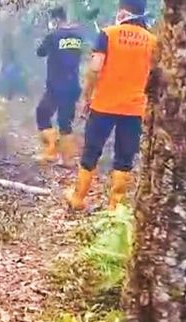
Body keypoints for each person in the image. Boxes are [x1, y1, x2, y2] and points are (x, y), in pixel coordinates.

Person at [66, 0, 156, 211]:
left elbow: (95, 68)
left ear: (123, 11)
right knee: (124, 158)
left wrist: (87, 97)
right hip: (134, 109)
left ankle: (78, 199)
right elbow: (154, 76)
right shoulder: (153, 41)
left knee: (91, 152)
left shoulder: (108, 34)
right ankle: (115, 209)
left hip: (104, 105)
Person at [34, 6, 84, 167]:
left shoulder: (53, 36)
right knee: (65, 122)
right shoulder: (77, 37)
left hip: (56, 85)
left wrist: (47, 37)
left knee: (42, 114)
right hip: (73, 86)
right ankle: (66, 159)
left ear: (54, 20)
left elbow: (40, 52)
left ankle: (51, 151)